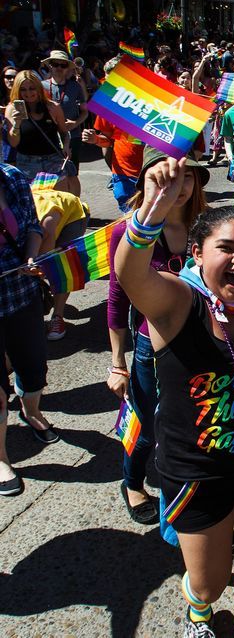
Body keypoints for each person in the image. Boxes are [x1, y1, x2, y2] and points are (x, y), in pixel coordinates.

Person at [115, 173, 234, 638]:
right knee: (210, 581)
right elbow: (130, 273)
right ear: (197, 253)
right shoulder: (178, 301)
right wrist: (154, 209)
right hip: (197, 469)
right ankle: (200, 615)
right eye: (227, 248)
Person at [106, 148, 208, 525]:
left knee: (195, 422)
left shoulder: (209, 224)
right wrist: (118, 363)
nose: (177, 184)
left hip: (202, 340)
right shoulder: (127, 230)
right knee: (146, 424)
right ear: (148, 179)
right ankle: (132, 482)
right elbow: (117, 302)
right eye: (165, 174)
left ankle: (190, 487)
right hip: (151, 345)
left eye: (185, 175)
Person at [0, 161, 58, 497]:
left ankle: (31, 412)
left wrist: (32, 256)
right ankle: (3, 458)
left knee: (34, 367)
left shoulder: (12, 176)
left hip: (22, 295)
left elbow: (33, 227)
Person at [82, 57, 145, 212]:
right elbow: (108, 141)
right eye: (108, 81)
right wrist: (95, 139)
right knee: (130, 221)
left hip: (151, 173)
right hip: (123, 175)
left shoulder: (151, 103)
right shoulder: (108, 106)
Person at [31, 186, 89, 340]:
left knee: (60, 266)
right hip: (46, 206)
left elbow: (45, 259)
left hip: (73, 214)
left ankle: (57, 317)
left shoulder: (45, 224)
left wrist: (39, 272)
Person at [3, 70, 70, 185]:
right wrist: (17, 124)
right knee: (35, 201)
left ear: (39, 88)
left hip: (53, 160)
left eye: (32, 88)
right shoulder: (12, 109)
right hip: (27, 163)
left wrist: (67, 147)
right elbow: (13, 143)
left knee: (57, 200)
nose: (28, 93)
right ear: (17, 90)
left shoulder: (52, 107)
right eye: (23, 89)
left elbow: (64, 133)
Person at [40, 50, 87, 195]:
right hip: (50, 138)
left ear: (67, 68)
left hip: (73, 136)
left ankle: (74, 207)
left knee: (72, 174)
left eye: (63, 65)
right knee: (52, 176)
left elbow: (85, 112)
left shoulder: (75, 86)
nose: (59, 68)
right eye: (55, 64)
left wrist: (75, 123)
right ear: (50, 66)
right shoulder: (41, 87)